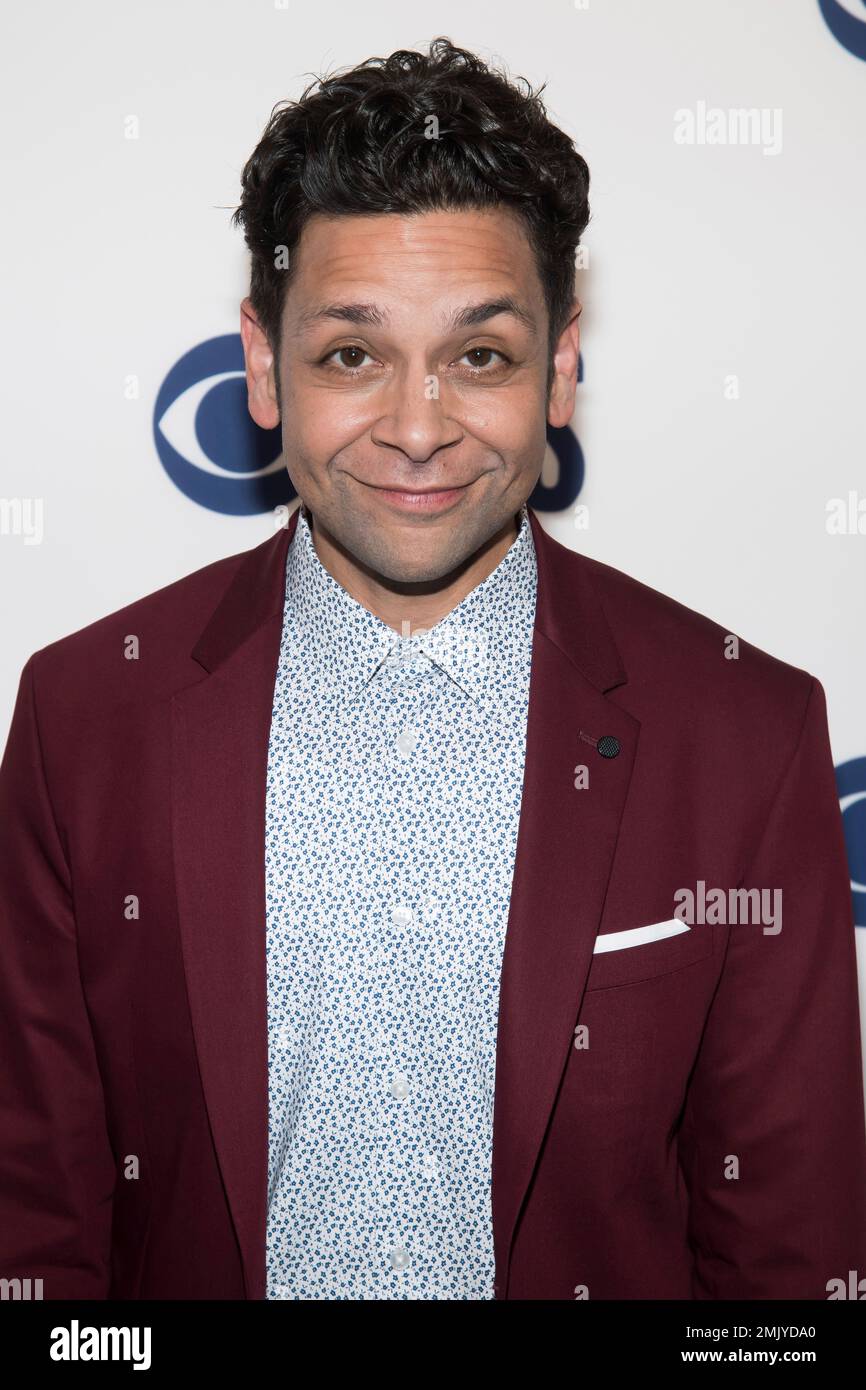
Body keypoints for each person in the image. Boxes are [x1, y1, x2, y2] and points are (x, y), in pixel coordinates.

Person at [1, 36, 864, 1301]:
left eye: (480, 356)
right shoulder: (87, 716)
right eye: (352, 353)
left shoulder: (743, 730)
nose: (417, 429)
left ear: (560, 365)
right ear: (261, 363)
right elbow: (41, 1228)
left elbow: (785, 1265)